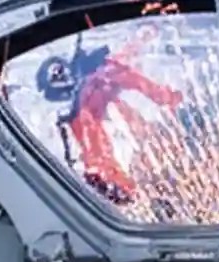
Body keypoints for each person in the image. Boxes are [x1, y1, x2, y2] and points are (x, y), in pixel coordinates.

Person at [36, 26, 183, 202]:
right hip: (133, 176)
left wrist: (142, 38)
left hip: (156, 147)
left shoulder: (105, 73)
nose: (64, 77)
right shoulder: (82, 113)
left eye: (61, 73)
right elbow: (95, 152)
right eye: (58, 77)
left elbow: (132, 70)